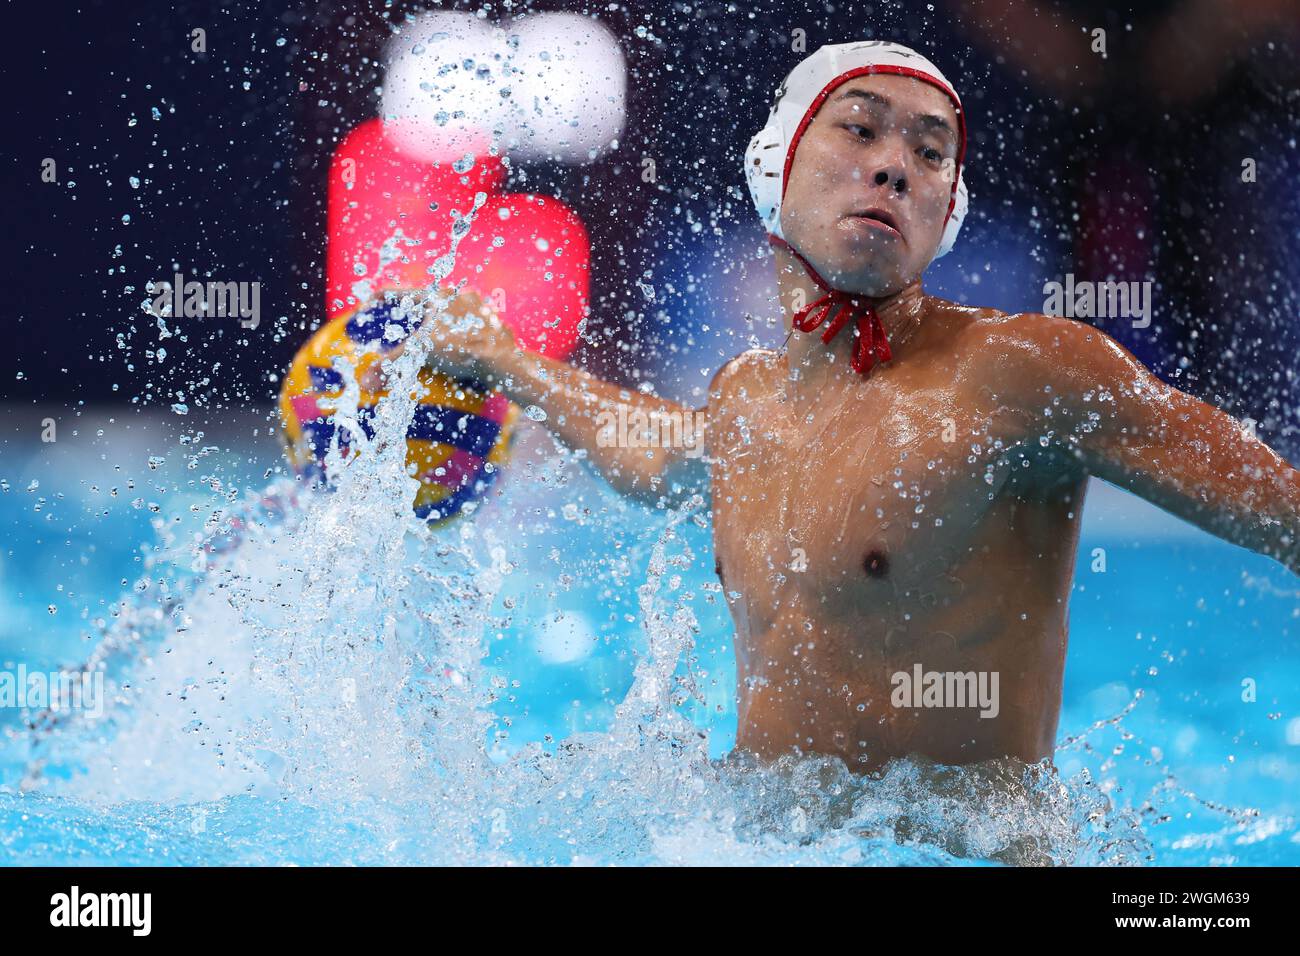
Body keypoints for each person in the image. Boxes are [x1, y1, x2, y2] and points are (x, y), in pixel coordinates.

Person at [370, 41, 1300, 774]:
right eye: (860, 131)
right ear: (775, 162)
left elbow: (1283, 511)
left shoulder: (1024, 373)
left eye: (930, 153)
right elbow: (662, 455)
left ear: (949, 211)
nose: (895, 167)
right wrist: (506, 362)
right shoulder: (746, 400)